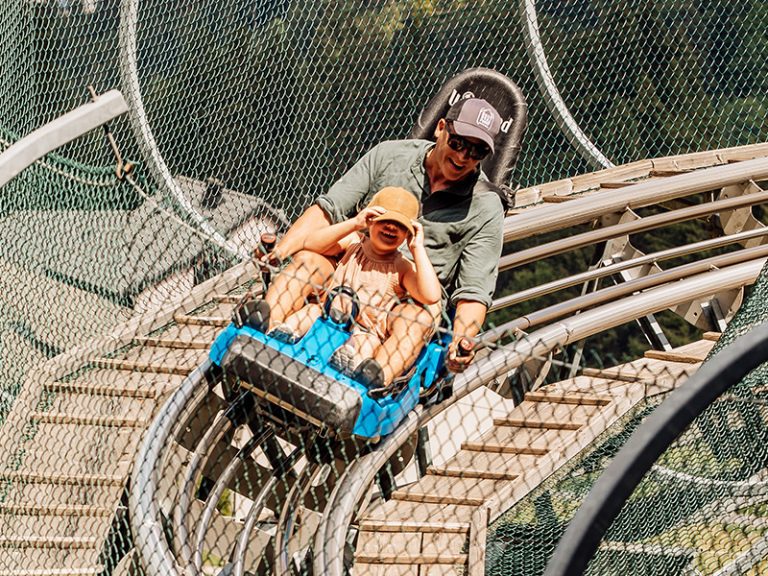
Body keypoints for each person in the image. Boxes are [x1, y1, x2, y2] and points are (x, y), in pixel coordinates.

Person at [259, 97, 505, 377]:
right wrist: (278, 254)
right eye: (458, 142)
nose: (463, 157)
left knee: (416, 319)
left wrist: (461, 342)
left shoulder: (485, 206)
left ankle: (371, 383)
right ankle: (263, 329)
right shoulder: (389, 156)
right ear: (440, 128)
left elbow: (473, 292)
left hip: (405, 298)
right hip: (350, 271)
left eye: (477, 151)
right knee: (309, 260)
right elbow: (328, 209)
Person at [266, 187, 441, 389]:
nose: (391, 228)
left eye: (400, 226)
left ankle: (352, 364)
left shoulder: (401, 266)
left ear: (408, 234)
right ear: (370, 220)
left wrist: (417, 248)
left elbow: (431, 295)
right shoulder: (353, 243)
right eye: (385, 221)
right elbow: (310, 243)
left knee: (367, 345)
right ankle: (279, 330)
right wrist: (354, 223)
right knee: (307, 313)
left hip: (366, 330)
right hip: (326, 314)